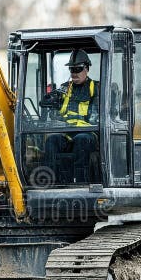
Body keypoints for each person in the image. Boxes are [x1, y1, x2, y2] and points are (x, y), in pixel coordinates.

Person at [41, 49, 99, 184]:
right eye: (72, 69)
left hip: (89, 133)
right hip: (67, 133)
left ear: (87, 69)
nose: (74, 73)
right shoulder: (64, 88)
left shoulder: (97, 88)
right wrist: (51, 102)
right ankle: (53, 183)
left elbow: (100, 115)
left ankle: (81, 183)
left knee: (81, 140)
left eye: (77, 69)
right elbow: (56, 110)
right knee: (52, 141)